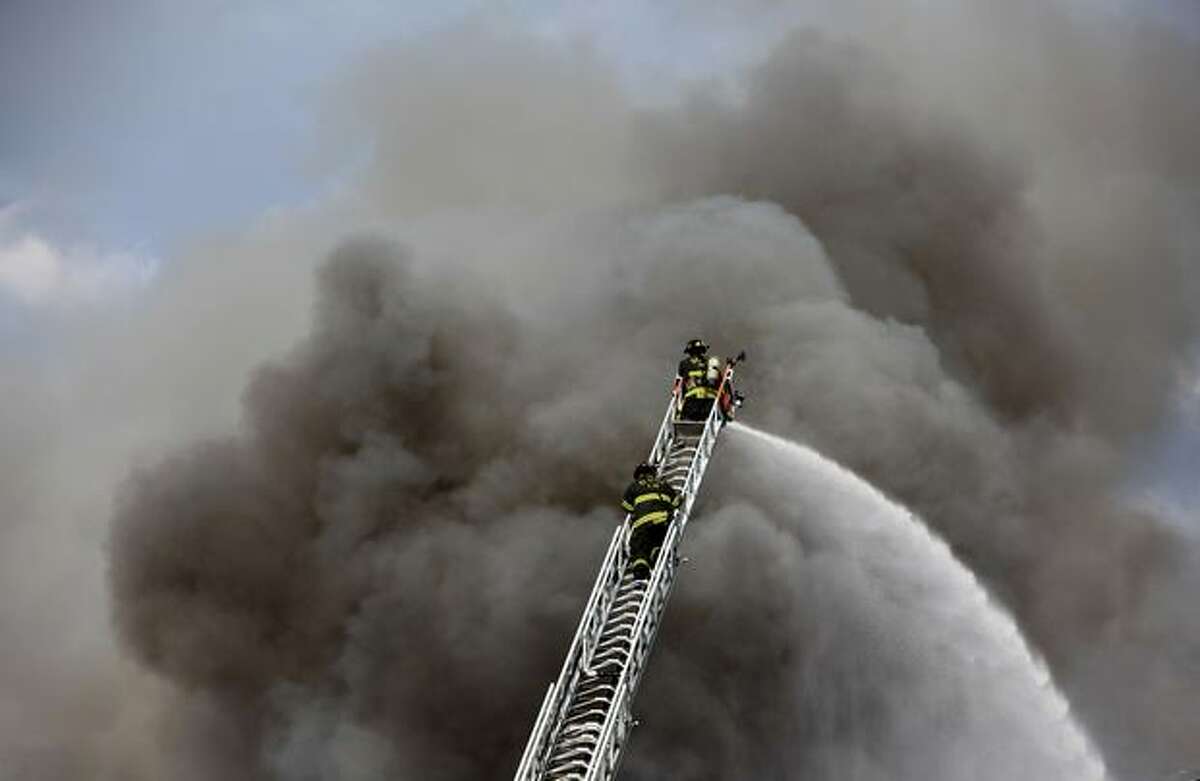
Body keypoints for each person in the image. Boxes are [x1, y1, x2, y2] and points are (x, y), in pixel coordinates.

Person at [620, 462, 681, 580]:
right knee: (656, 542)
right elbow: (676, 503)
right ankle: (656, 553)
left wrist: (636, 510)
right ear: (653, 473)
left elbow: (625, 505)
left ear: (638, 475)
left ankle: (640, 571)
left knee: (639, 548)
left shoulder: (634, 486)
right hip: (663, 522)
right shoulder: (663, 484)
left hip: (643, 523)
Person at [676, 339, 720, 421]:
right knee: (709, 419)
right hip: (708, 400)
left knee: (687, 420)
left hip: (691, 400)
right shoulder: (710, 361)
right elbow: (717, 381)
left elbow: (679, 381)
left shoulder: (683, 363)